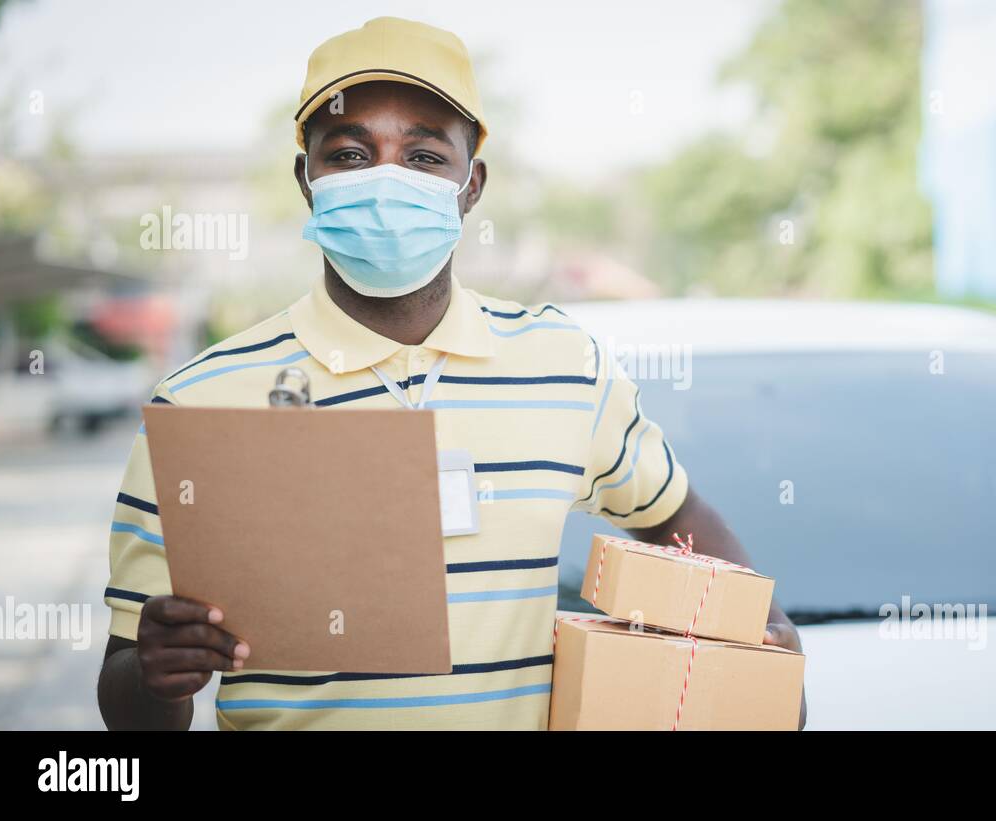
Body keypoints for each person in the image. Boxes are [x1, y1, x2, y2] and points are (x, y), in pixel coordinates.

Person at [97, 16, 803, 730]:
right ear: (306, 180)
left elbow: (674, 513)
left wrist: (767, 632)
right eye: (349, 153)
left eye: (425, 156)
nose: (384, 179)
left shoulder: (567, 368)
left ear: (472, 186)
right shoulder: (199, 403)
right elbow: (128, 704)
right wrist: (156, 677)